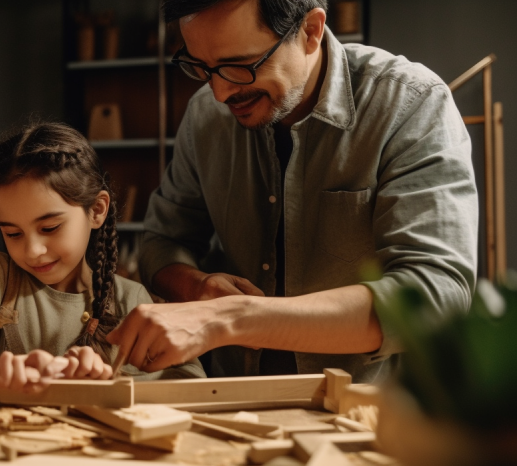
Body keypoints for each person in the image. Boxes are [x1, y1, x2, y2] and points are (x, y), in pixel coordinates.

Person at [110, 0, 478, 382]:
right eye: (201, 67)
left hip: (372, 417)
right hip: (233, 405)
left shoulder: (410, 104)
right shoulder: (205, 114)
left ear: (311, 30)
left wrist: (228, 319)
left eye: (242, 65)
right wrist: (196, 286)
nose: (220, 93)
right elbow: (162, 241)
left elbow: (435, 296)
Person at [0, 122, 205, 402]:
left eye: (49, 228)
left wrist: (105, 387)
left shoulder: (132, 300)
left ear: (97, 210)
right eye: (13, 233)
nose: (33, 250)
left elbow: (194, 386)